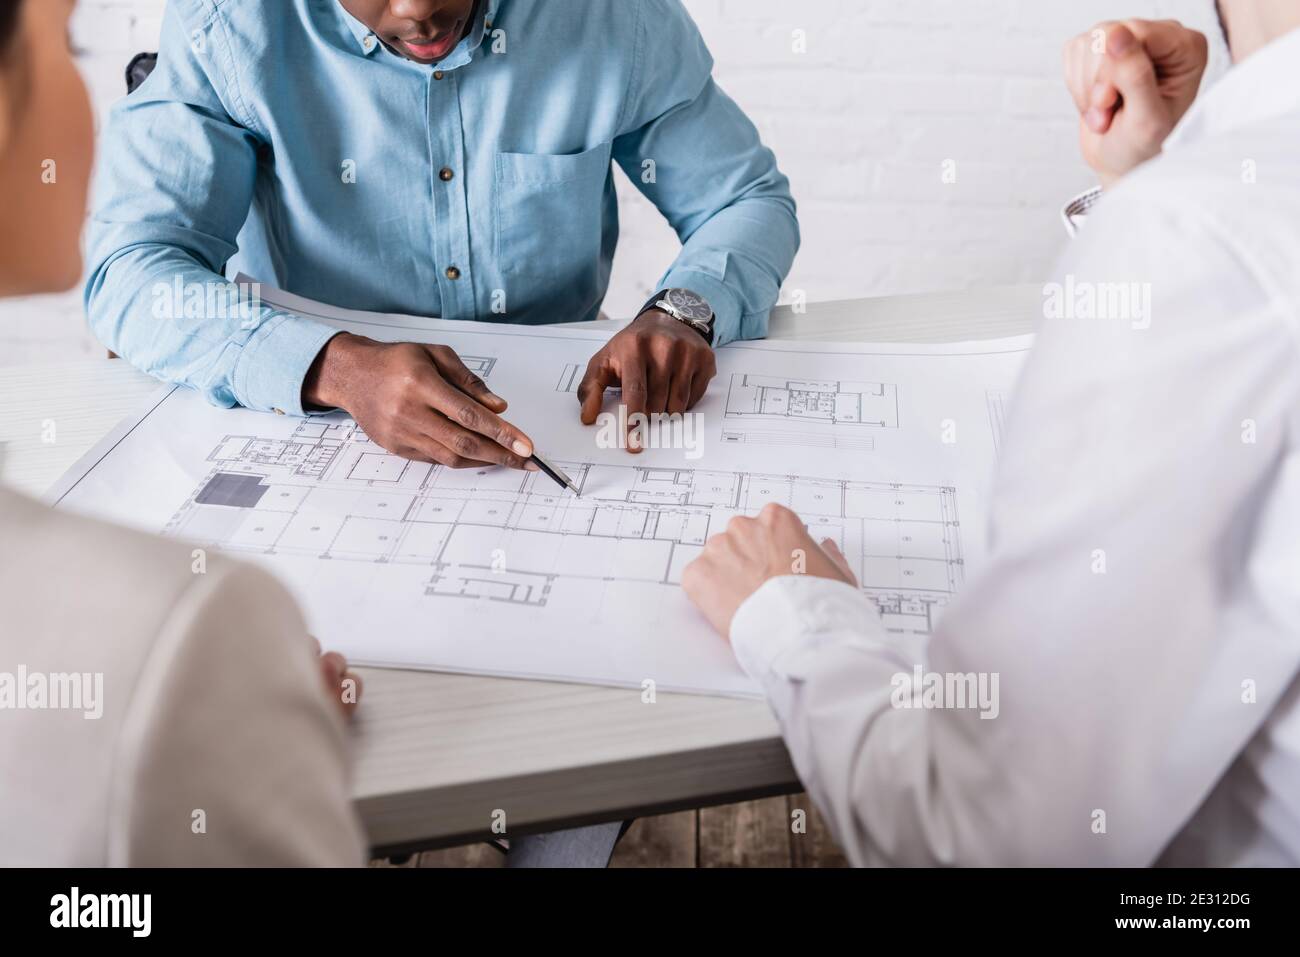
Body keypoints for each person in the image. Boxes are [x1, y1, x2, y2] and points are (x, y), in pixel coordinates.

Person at [683, 1, 1300, 865]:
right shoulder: (1219, 216)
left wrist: (790, 612)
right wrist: (1146, 186)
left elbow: (973, 837)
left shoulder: (1203, 239)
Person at [84, 0, 798, 465]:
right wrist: (335, 366)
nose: (421, 12)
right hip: (313, 428)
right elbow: (132, 270)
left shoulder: (610, 18)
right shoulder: (228, 26)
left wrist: (686, 310)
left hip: (560, 425)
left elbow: (744, 197)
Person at [0, 0, 368, 865]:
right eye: (69, 44)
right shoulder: (187, 632)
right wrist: (232, 738)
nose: (112, 108)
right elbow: (135, 268)